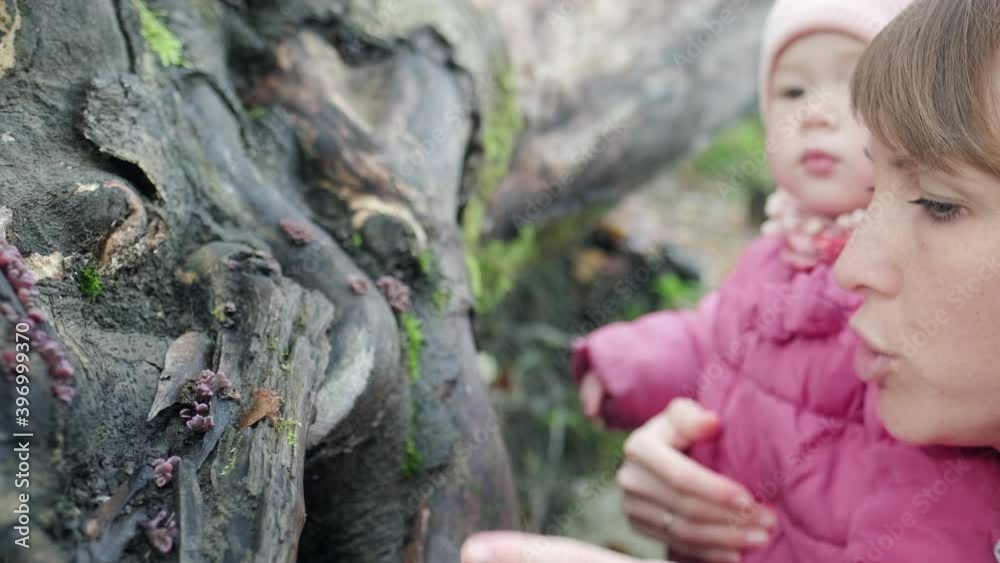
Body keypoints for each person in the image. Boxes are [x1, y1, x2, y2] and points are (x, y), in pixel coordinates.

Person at [461, 0, 1000, 561]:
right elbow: (715, 332)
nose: (849, 270)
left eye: (937, 205)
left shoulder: (932, 444)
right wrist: (628, 366)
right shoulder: (779, 252)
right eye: (792, 91)